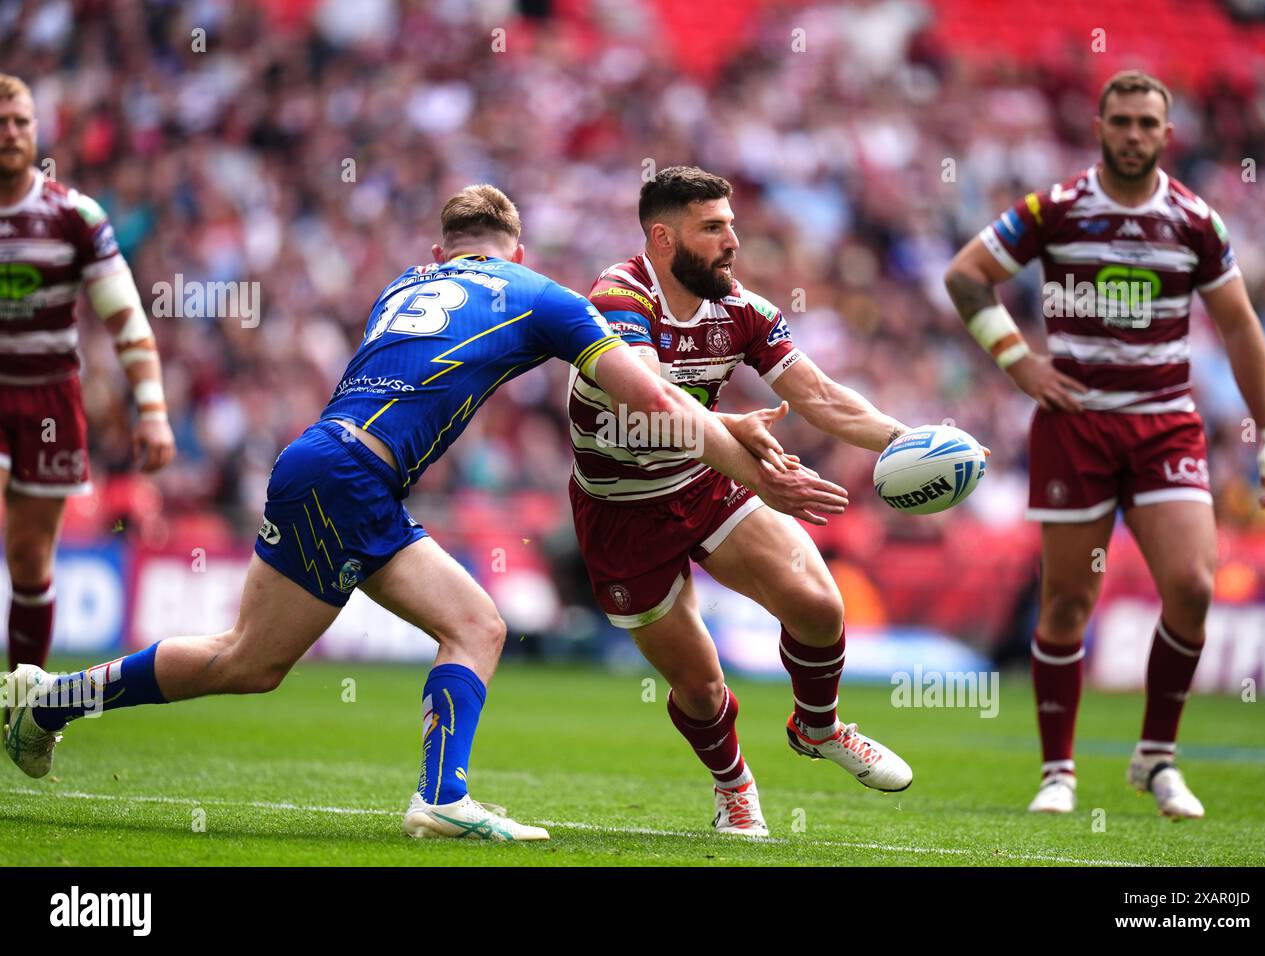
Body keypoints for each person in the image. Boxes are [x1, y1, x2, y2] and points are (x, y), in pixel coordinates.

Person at [1, 184, 848, 841]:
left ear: (438, 248)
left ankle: (48, 700)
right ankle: (441, 798)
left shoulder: (403, 286)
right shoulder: (539, 291)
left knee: (247, 661)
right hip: (360, 476)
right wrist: (746, 455)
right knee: (476, 626)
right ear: (519, 248)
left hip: (313, 460)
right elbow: (652, 397)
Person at [943, 70, 1265, 819]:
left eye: (1148, 124)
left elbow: (1239, 327)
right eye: (1122, 121)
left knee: (1194, 588)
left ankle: (1157, 757)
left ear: (1168, 135)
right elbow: (966, 277)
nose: (1134, 135)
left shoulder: (1196, 221)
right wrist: (1019, 361)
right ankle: (1058, 773)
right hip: (1076, 426)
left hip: (1165, 424)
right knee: (1067, 601)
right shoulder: (1057, 210)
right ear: (1099, 127)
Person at [568, 166, 915, 837]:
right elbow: (653, 402)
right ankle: (734, 786)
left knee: (817, 604)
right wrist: (745, 452)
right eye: (713, 228)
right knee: (700, 688)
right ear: (663, 238)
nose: (732, 241)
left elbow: (820, 398)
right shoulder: (618, 296)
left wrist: (910, 439)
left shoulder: (743, 311)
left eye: (731, 225)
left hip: (703, 482)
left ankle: (818, 727)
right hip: (620, 508)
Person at [0, 74, 175, 673]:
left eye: (21, 121)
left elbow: (126, 319)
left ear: (37, 130)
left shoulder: (75, 216)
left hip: (50, 402)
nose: (11, 132)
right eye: (1, 123)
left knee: (28, 560)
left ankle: (20, 703)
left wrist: (151, 409)